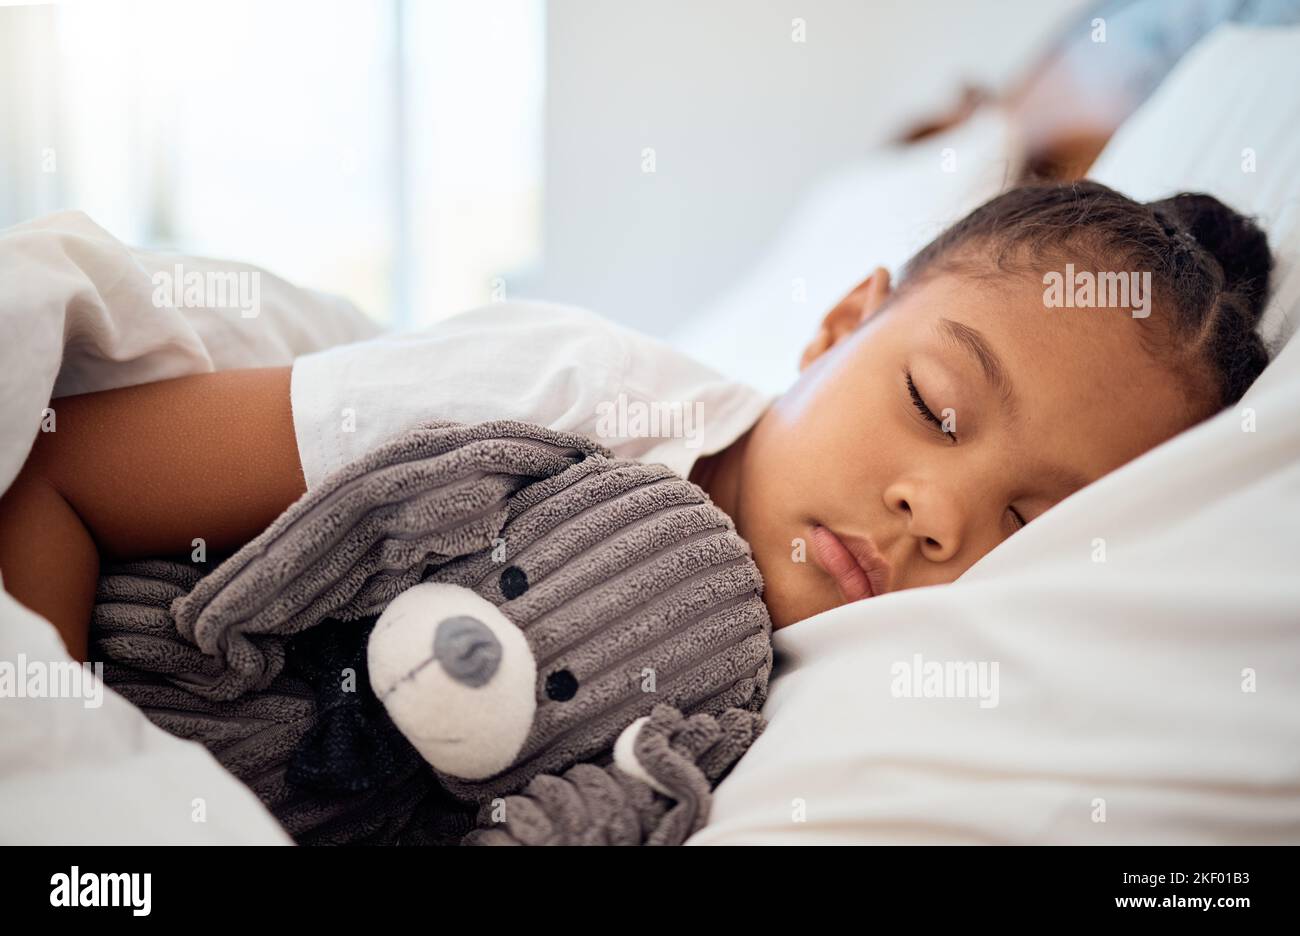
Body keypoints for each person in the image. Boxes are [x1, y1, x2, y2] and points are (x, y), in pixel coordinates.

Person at [0, 181, 1272, 657]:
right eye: (934, 409)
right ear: (840, 323)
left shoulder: (798, 678)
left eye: (1027, 523)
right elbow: (64, 469)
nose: (936, 514)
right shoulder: (564, 394)